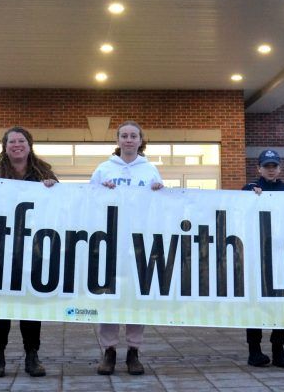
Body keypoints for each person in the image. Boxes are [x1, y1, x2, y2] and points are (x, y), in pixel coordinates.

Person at [0, 126, 59, 378]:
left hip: (33, 248)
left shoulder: (43, 172)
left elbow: (60, 204)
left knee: (30, 304)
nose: (16, 144)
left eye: (21, 140)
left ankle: (31, 354)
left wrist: (52, 187)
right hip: (0, 249)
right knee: (0, 303)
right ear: (4, 147)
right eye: (11, 141)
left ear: (29, 144)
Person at [89, 121, 164, 376]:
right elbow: (88, 202)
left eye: (134, 136)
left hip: (139, 246)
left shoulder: (151, 170)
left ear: (141, 140)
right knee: (109, 297)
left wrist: (158, 192)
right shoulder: (104, 169)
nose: (129, 139)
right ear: (117, 139)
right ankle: (108, 350)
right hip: (110, 242)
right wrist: (102, 192)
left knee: (136, 297)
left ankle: (134, 351)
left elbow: (161, 208)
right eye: (124, 135)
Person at [242, 149, 284, 368]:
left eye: (274, 166)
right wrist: (249, 196)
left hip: (281, 254)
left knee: (280, 304)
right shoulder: (249, 189)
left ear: (279, 168)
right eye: (266, 166)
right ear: (259, 169)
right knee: (254, 303)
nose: (270, 170)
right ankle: (254, 351)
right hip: (255, 255)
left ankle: (278, 349)